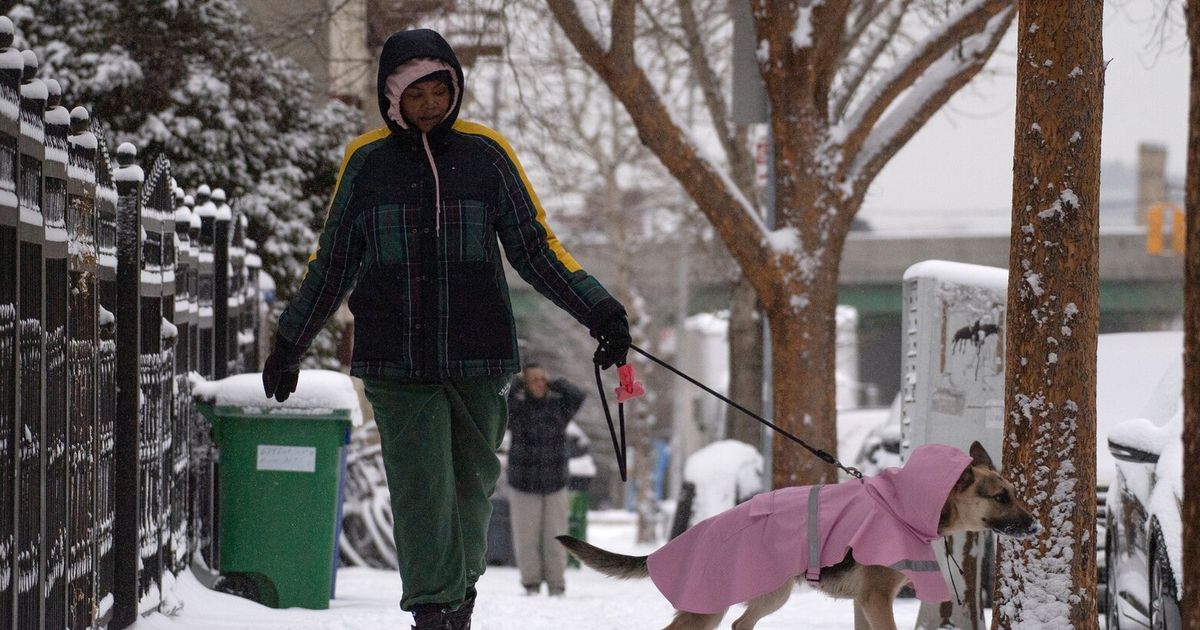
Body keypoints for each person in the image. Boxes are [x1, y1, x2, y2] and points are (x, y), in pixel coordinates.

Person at [260, 28, 631, 630]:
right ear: (392, 98)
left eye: (439, 91)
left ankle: (458, 598)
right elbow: (333, 262)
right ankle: (432, 611)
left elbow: (535, 247)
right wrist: (290, 342)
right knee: (421, 488)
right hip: (395, 359)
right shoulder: (367, 162)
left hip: (479, 355)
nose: (430, 105)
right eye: (416, 94)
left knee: (470, 488)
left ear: (454, 88)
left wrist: (601, 312)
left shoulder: (487, 155)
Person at [505, 363, 584, 596]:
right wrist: (518, 382)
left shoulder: (559, 408)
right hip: (522, 482)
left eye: (543, 379)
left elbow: (578, 395)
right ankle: (531, 583)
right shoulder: (516, 409)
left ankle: (556, 584)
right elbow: (501, 399)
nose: (540, 383)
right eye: (534, 380)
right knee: (525, 537)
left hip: (555, 482)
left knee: (557, 536)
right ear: (525, 383)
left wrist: (556, 383)